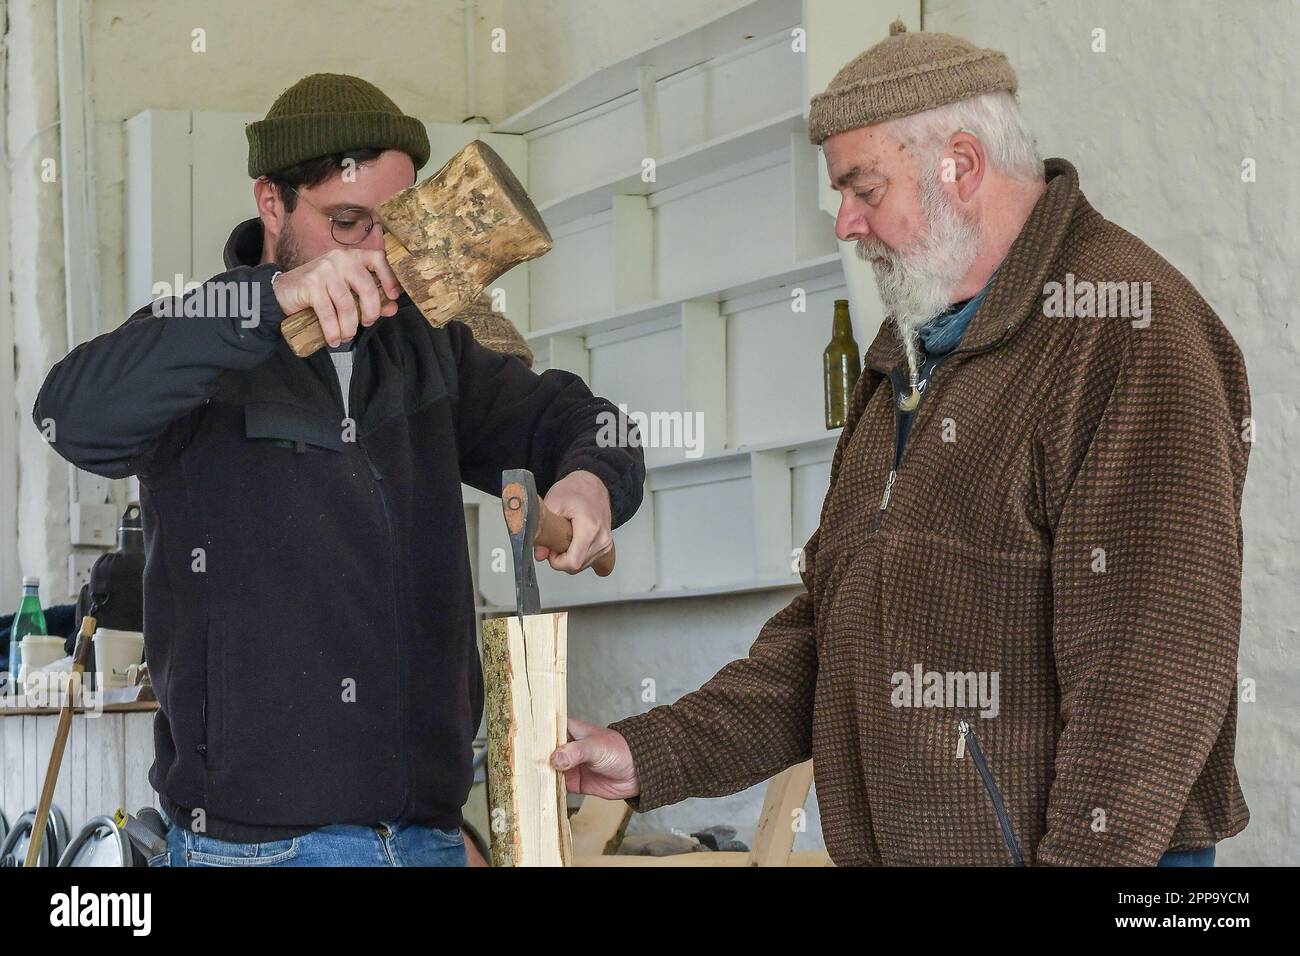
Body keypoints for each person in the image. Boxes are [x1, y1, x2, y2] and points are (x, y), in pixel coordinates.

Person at [552, 22, 1251, 867]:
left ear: (961, 164)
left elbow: (1152, 674)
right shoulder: (910, 352)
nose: (845, 223)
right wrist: (649, 752)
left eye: (864, 188)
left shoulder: (1125, 327)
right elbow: (830, 635)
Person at [34, 73, 645, 867]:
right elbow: (68, 412)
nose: (372, 251)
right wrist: (270, 300)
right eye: (346, 223)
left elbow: (589, 423)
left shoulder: (431, 350)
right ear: (271, 202)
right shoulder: (203, 340)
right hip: (257, 849)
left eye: (394, 225)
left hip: (427, 835)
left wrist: (591, 481)